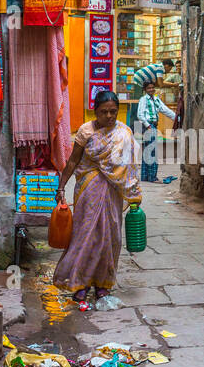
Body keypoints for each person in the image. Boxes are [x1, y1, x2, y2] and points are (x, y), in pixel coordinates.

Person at [53, 90, 143, 311]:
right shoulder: (86, 131)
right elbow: (73, 160)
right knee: (86, 236)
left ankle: (103, 285)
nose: (110, 116)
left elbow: (130, 168)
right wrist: (62, 185)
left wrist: (133, 196)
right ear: (96, 112)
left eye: (113, 111)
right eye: (104, 112)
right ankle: (79, 283)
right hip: (88, 189)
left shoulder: (124, 132)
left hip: (113, 192)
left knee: (109, 237)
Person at [136, 81, 176, 183]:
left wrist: (176, 118)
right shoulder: (143, 100)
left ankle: (146, 177)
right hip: (148, 126)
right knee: (152, 152)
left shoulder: (156, 99)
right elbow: (140, 115)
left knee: (148, 152)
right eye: (149, 88)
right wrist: (148, 126)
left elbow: (165, 110)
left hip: (153, 126)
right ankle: (152, 177)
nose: (151, 90)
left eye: (152, 87)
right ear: (145, 90)